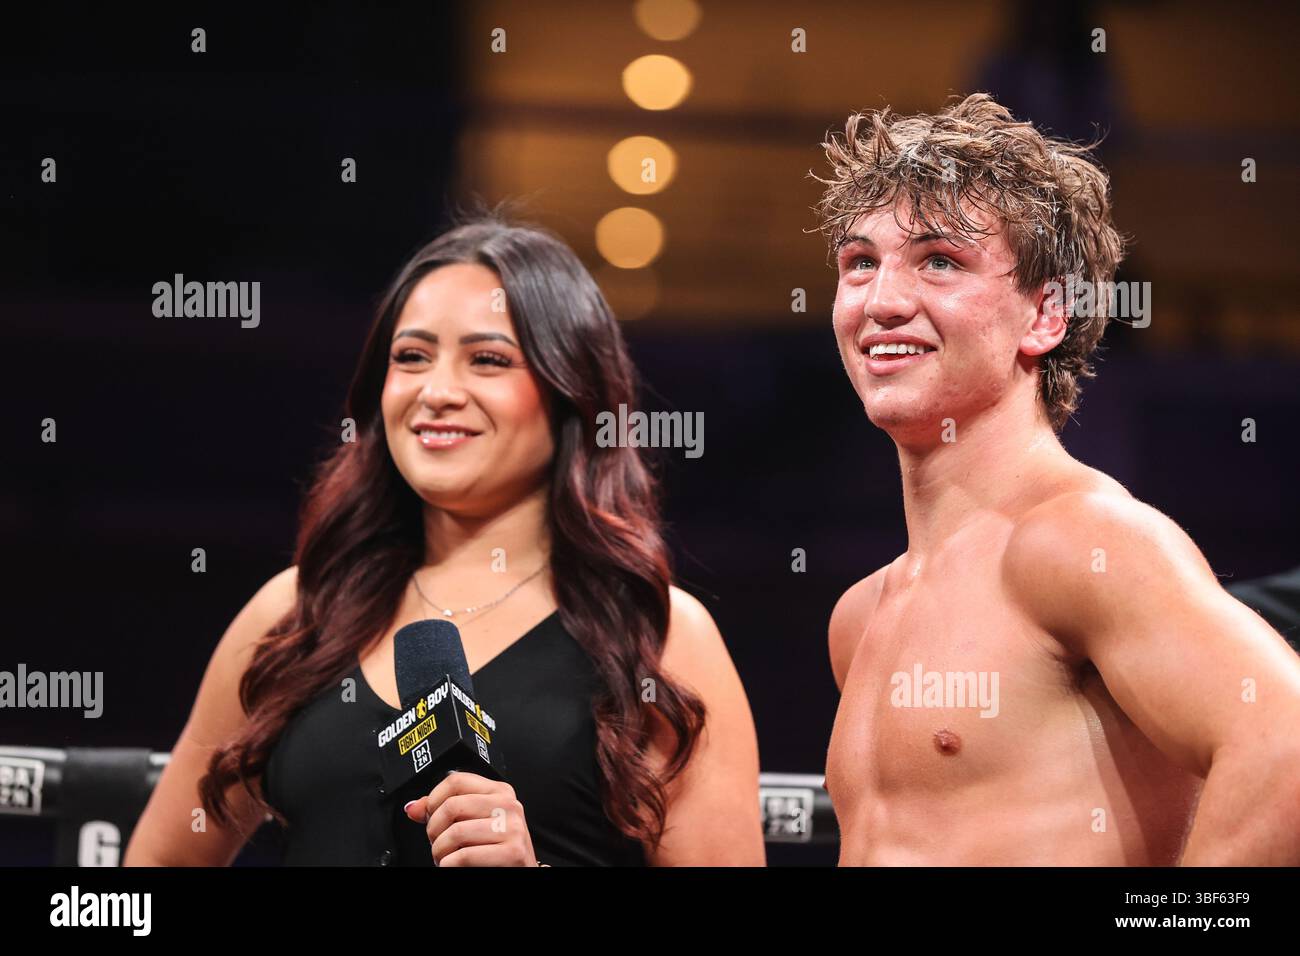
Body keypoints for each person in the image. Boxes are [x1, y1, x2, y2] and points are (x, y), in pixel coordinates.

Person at [124, 211, 764, 866]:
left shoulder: (658, 635)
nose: (437, 391)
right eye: (412, 357)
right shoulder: (294, 614)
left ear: (570, 389)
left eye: (487, 360)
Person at [814, 93, 1300, 865]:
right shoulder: (860, 617)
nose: (883, 301)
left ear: (1045, 315)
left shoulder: (1082, 541)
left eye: (940, 261)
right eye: (860, 263)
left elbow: (1283, 740)